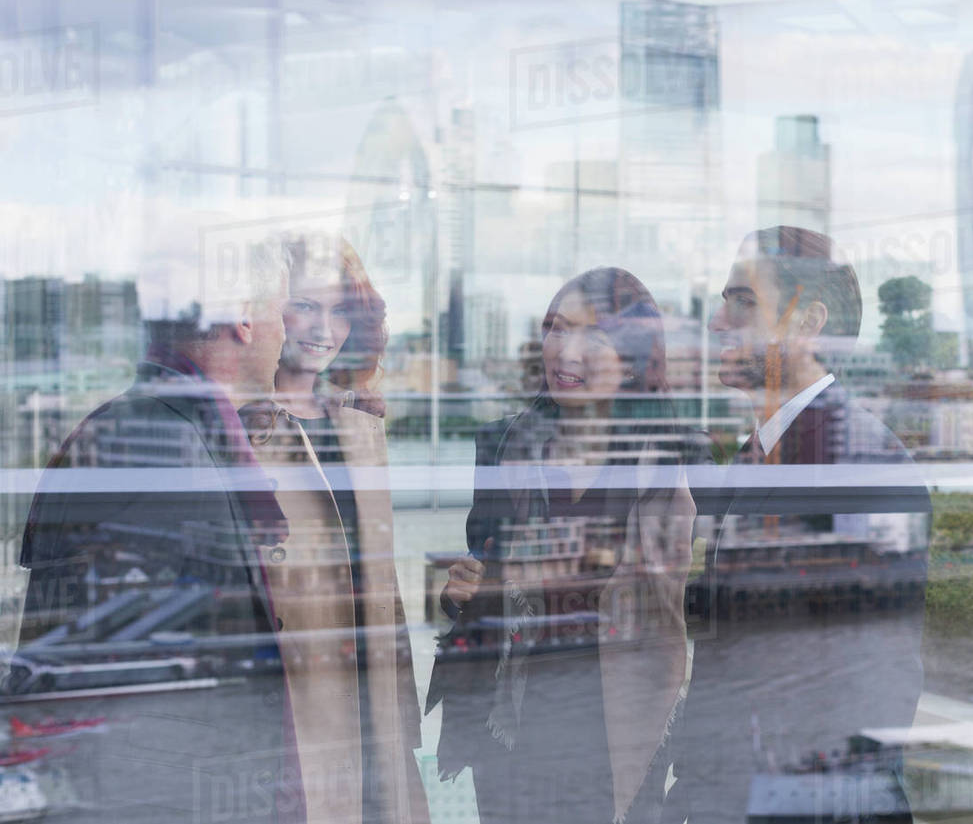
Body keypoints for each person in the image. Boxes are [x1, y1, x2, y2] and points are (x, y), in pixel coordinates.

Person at [9, 231, 297, 823]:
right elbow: (143, 690)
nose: (286, 334)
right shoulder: (162, 448)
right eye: (281, 313)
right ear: (243, 317)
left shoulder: (151, 428)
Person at [665, 226, 930, 824]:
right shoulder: (762, 452)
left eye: (744, 301)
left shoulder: (858, 460)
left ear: (808, 324)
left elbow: (869, 684)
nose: (718, 322)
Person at [426, 267, 697, 824]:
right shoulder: (504, 445)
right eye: (555, 328)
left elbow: (702, 611)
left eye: (594, 334)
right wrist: (461, 594)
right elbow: (480, 580)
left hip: (621, 729)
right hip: (512, 729)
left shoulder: (677, 461)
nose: (566, 350)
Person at [242, 234, 429, 824]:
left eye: (341, 309)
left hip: (370, 693)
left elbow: (382, 585)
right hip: (287, 706)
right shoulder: (238, 428)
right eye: (305, 305)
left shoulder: (361, 426)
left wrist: (402, 716)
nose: (324, 327)